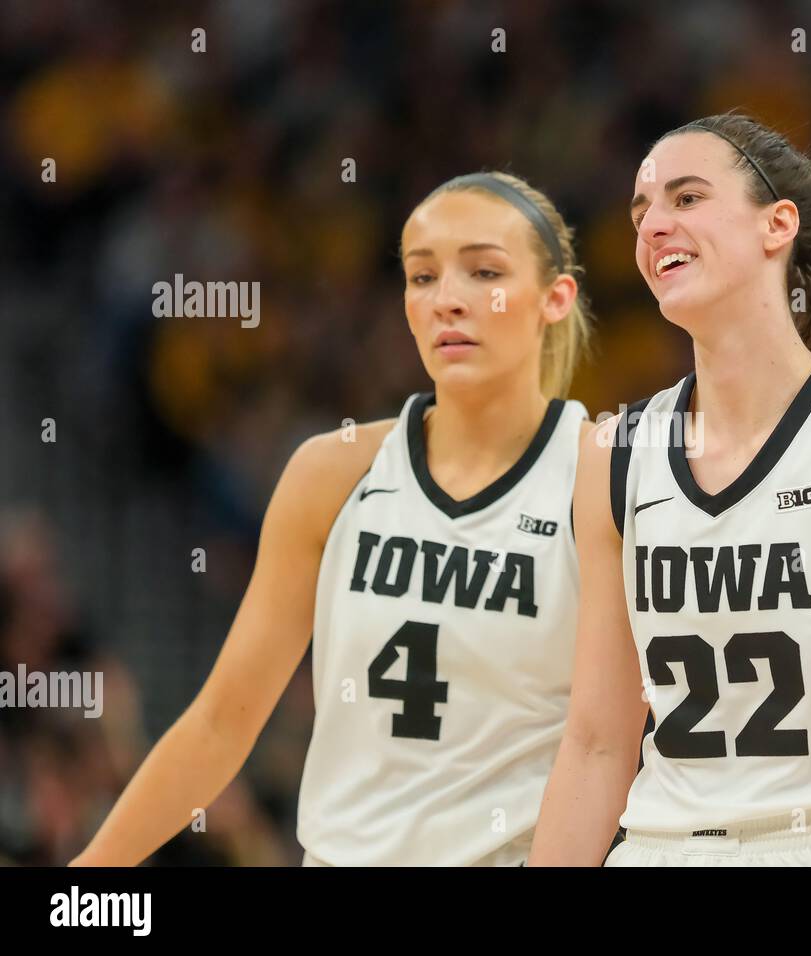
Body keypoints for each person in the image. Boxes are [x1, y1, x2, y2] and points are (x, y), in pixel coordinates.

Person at [72, 171, 593, 866]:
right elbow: (224, 721)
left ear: (555, 297)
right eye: (422, 276)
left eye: (484, 271)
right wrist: (83, 880)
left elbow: (613, 745)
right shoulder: (331, 473)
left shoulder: (604, 477)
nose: (448, 301)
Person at [529, 113, 811, 866]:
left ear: (777, 226)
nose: (653, 226)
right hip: (655, 846)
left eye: (686, 198)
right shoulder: (614, 451)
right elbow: (598, 743)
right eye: (641, 210)